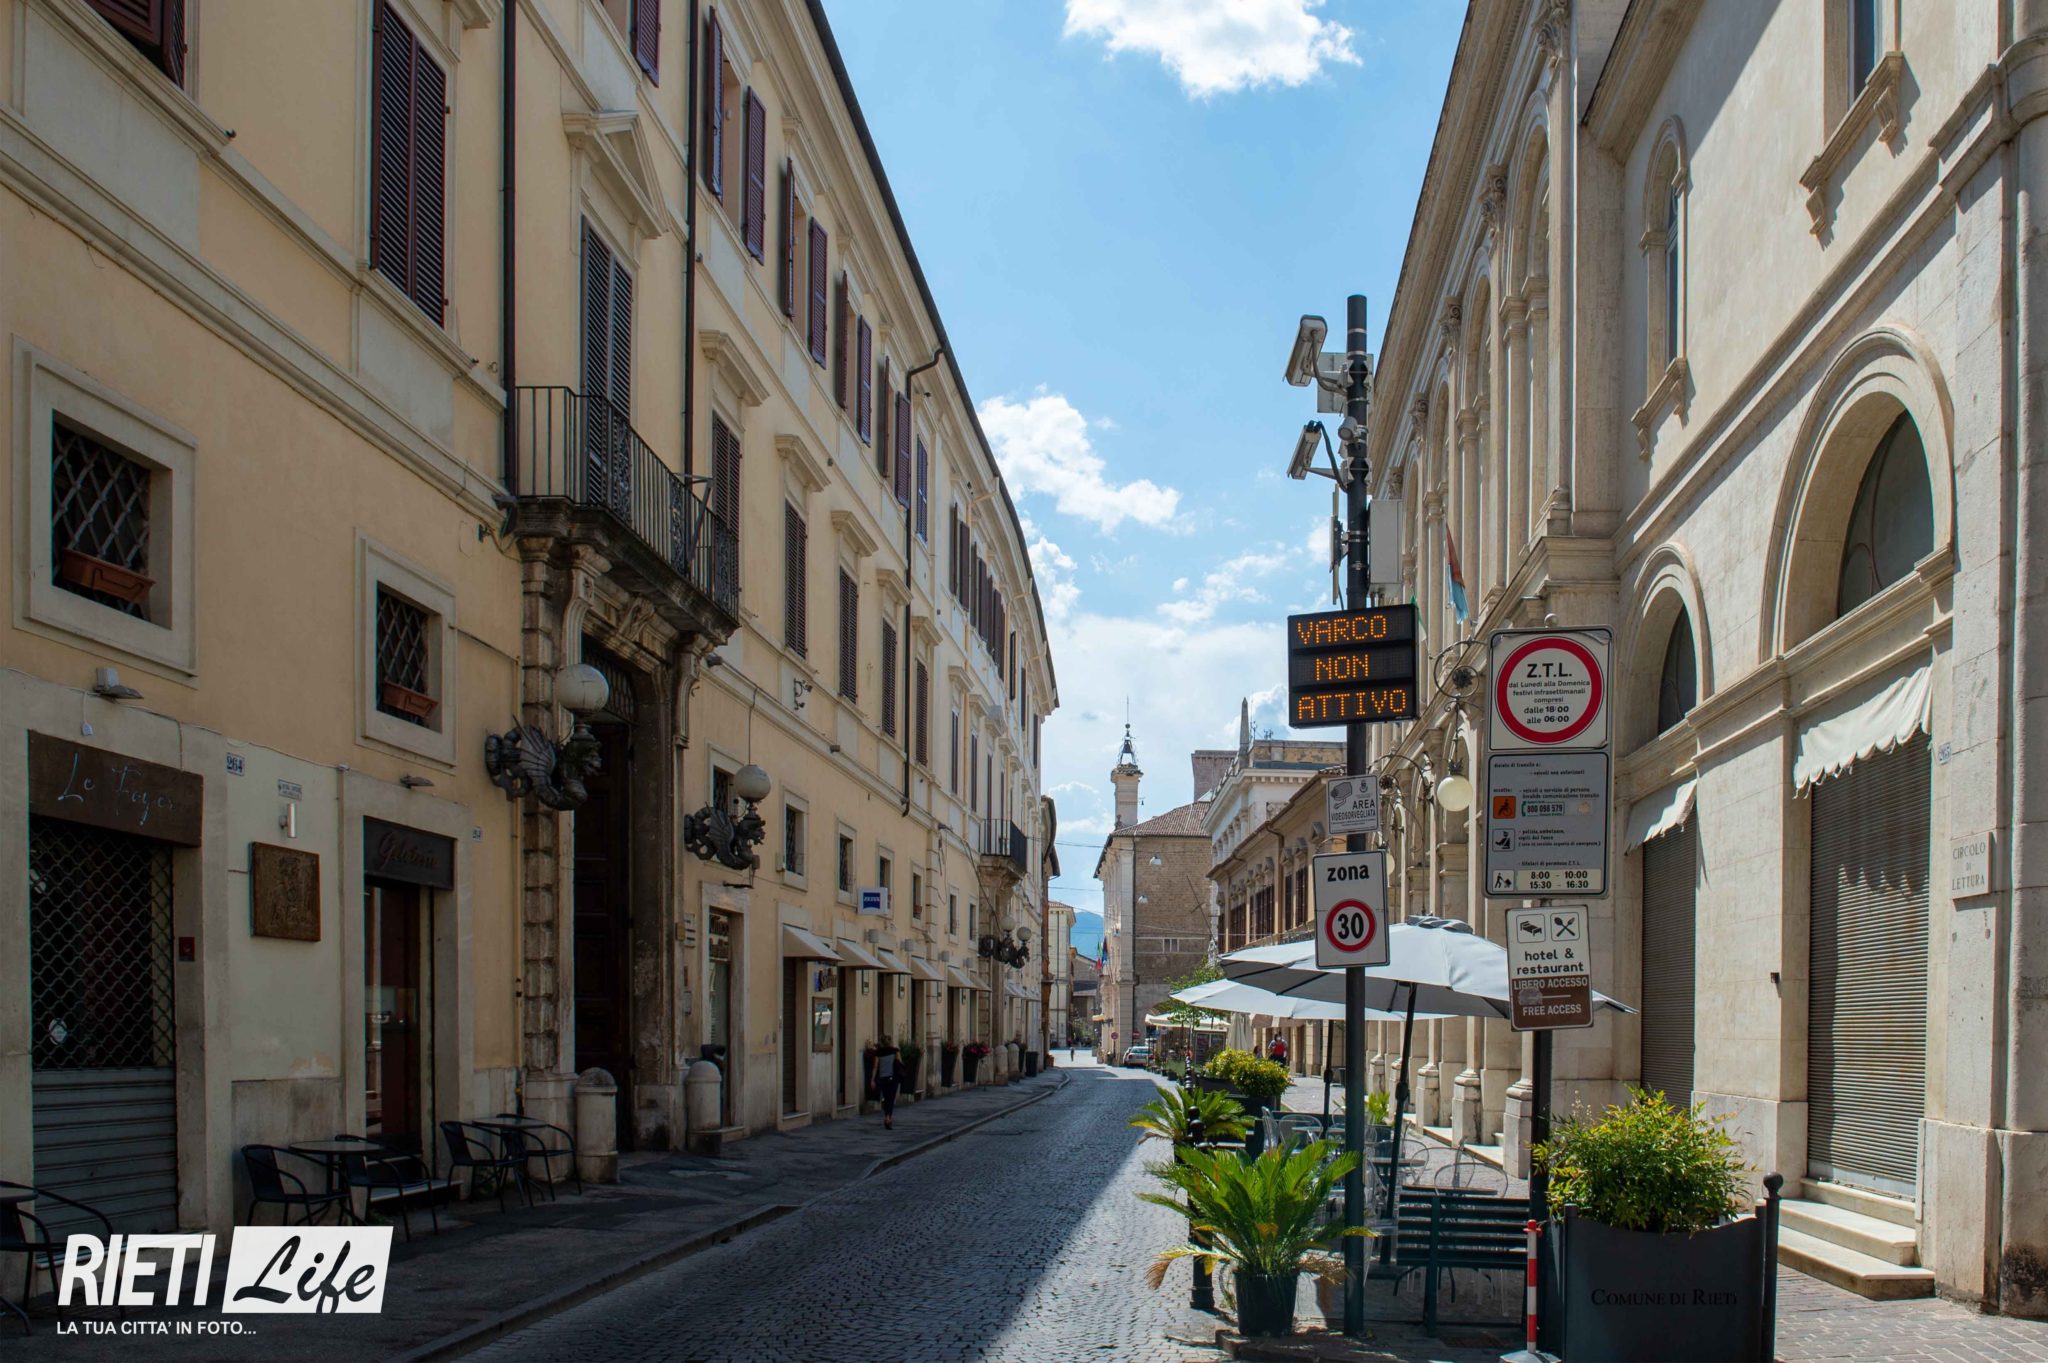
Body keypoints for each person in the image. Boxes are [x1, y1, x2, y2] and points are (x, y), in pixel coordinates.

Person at [871, 1034, 902, 1129]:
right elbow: (900, 1063)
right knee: (891, 1099)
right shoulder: (895, 1051)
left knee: (886, 1097)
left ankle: (887, 1116)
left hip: (882, 1078)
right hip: (893, 1078)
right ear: (890, 1042)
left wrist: (872, 1080)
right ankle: (888, 1118)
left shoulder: (878, 1052)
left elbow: (875, 1067)